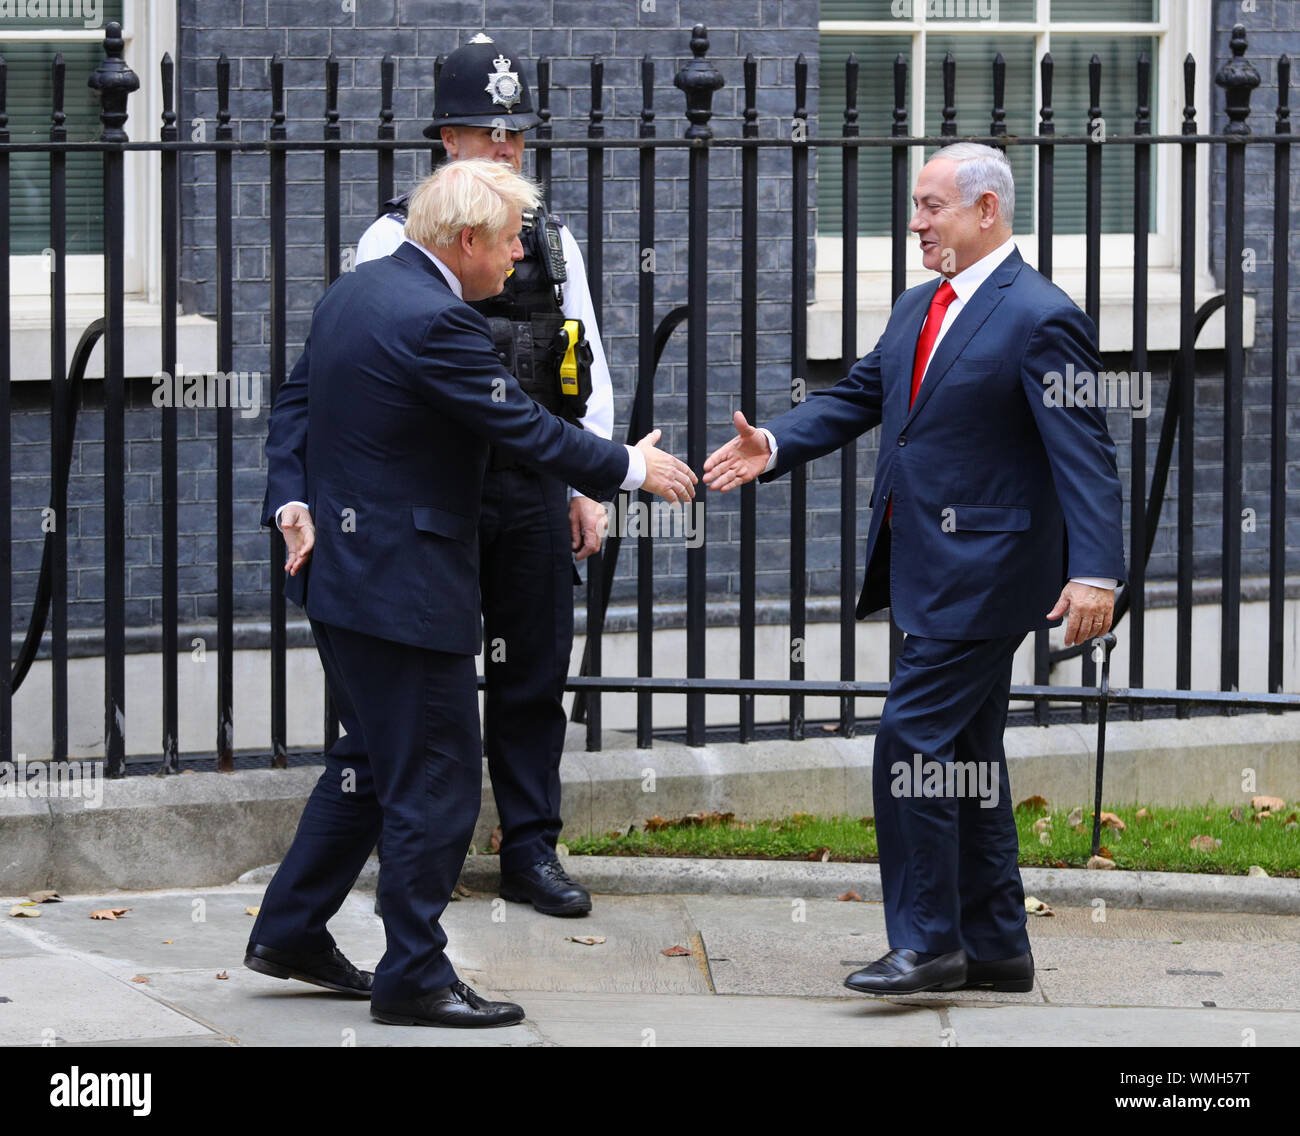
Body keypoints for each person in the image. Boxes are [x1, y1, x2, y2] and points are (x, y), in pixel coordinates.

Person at [245, 158, 696, 1028]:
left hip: (343, 579)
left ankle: (291, 928)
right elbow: (519, 423)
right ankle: (414, 972)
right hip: (404, 590)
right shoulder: (439, 321)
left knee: (371, 766)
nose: (521, 253)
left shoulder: (358, 290)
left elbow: (297, 398)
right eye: (508, 238)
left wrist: (292, 501)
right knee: (439, 781)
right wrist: (629, 466)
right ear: (462, 242)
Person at [703, 143, 1125, 996]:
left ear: (985, 212)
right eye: (917, 207)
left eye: (932, 206)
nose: (916, 222)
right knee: (966, 750)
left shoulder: (1040, 315)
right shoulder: (918, 305)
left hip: (991, 571)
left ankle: (928, 943)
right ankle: (997, 945)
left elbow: (1088, 454)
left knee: (910, 741)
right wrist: (775, 443)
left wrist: (1099, 574)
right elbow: (863, 395)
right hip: (926, 564)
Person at [354, 33, 612, 917]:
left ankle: (531, 850)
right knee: (426, 675)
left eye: (515, 137)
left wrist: (587, 485)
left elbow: (586, 356)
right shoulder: (395, 237)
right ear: (446, 142)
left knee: (534, 670)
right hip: (437, 491)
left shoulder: (551, 237)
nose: (504, 150)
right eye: (483, 134)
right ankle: (418, 847)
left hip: (533, 482)